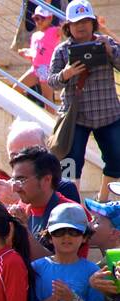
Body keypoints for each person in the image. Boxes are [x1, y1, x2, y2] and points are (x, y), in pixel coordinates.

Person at [47, 0, 120, 200]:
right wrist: (67, 73)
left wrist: (110, 51)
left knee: (117, 159)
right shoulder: (61, 50)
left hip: (108, 114)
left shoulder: (106, 43)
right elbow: (51, 81)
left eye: (86, 21)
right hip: (75, 117)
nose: (81, 26)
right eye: (76, 22)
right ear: (68, 26)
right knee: (70, 163)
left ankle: (103, 201)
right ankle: (72, 204)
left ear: (93, 23)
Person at [7, 146, 86, 259]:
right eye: (14, 180)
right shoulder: (21, 209)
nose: (15, 188)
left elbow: (63, 265)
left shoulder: (72, 213)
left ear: (46, 180)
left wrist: (23, 229)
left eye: (21, 180)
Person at [0, 119, 82, 204]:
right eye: (15, 156)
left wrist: (19, 200)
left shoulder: (63, 187)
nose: (20, 162)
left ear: (44, 152)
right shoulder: (7, 189)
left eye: (29, 154)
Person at [17, 5, 62, 105]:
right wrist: (25, 53)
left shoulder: (54, 31)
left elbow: (67, 29)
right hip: (35, 68)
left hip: (46, 69)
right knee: (17, 88)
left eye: (42, 18)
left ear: (50, 18)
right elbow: (36, 53)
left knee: (47, 99)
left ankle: (50, 119)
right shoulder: (35, 35)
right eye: (36, 18)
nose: (39, 21)